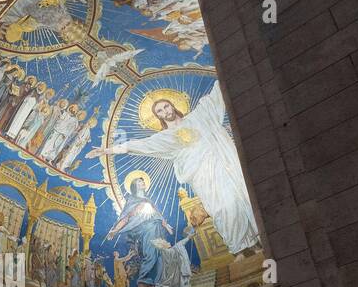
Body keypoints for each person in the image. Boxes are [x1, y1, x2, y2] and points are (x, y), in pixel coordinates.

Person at [89, 81, 259, 255]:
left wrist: (224, 71)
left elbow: (215, 95)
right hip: (201, 176)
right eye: (160, 111)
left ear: (173, 105)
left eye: (166, 106)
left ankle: (254, 241)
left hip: (221, 166)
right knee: (220, 208)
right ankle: (239, 248)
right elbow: (139, 145)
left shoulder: (199, 116)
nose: (165, 111)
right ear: (158, 117)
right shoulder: (165, 137)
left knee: (237, 197)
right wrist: (107, 150)